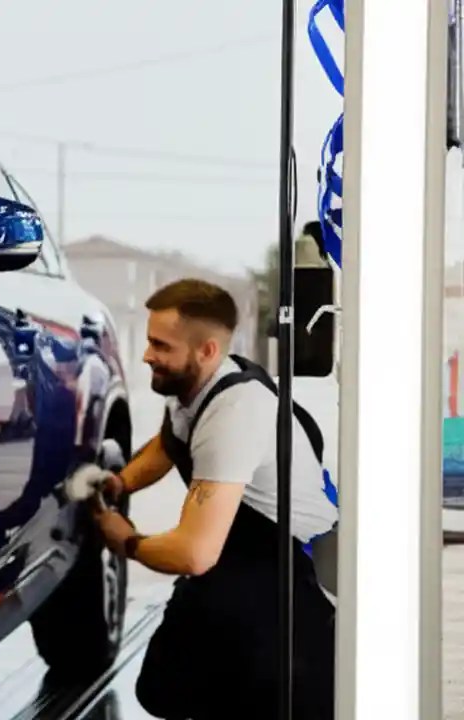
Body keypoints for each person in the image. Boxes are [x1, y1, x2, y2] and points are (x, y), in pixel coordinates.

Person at [92, 278, 338, 720]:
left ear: (206, 350)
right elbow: (169, 443)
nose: (148, 355)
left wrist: (125, 540)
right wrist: (120, 484)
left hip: (286, 579)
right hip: (239, 559)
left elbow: (194, 552)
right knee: (161, 687)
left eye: (160, 346)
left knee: (216, 693)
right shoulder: (193, 388)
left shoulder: (236, 411)